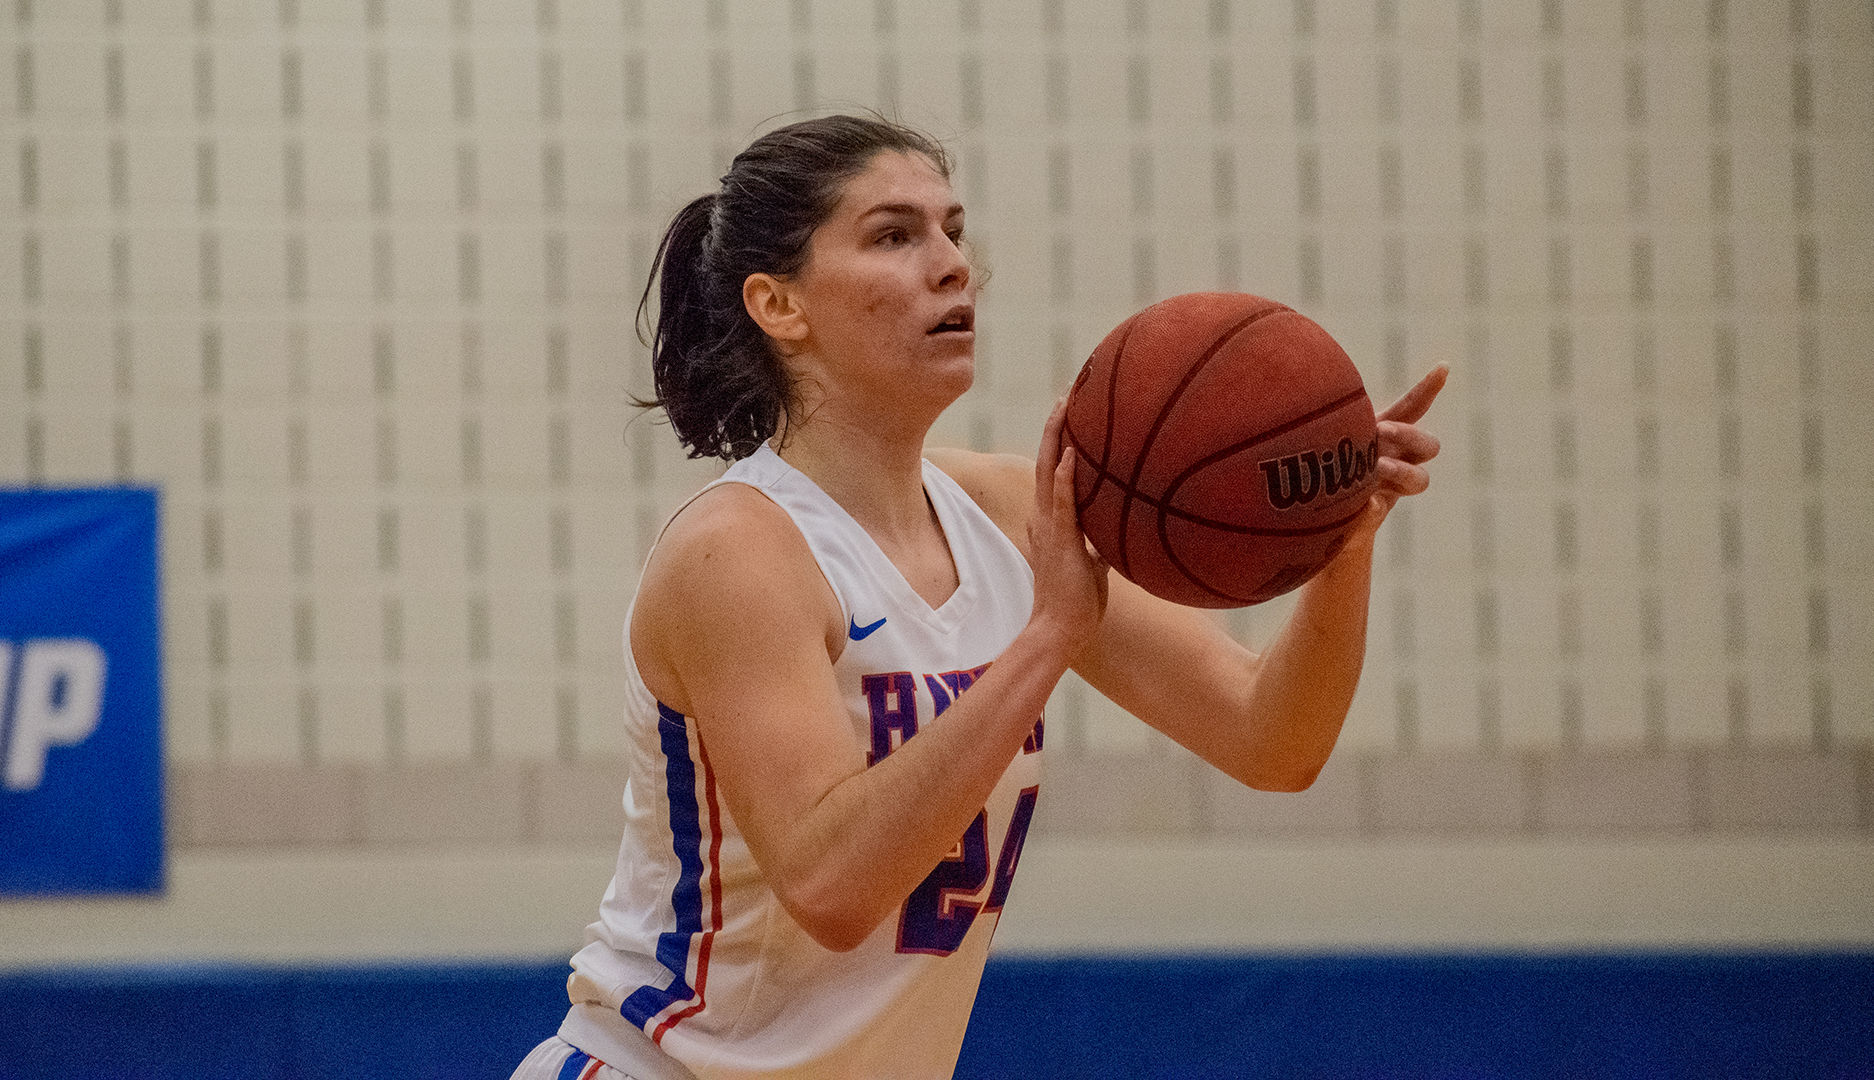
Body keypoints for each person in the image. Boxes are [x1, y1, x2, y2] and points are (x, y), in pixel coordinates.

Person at [511, 114, 1445, 1080]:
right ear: (779, 306)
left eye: (953, 229)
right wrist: (1046, 639)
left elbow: (1272, 741)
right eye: (894, 235)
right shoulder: (737, 551)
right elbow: (831, 885)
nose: (953, 264)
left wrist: (1340, 546)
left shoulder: (1006, 511)